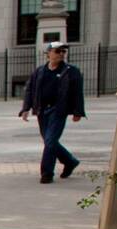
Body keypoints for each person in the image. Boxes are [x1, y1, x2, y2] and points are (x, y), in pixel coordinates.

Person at [20, 41, 85, 183]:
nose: (61, 54)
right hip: (42, 110)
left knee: (50, 141)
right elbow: (30, 89)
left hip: (58, 109)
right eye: (57, 51)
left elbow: (77, 92)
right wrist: (26, 108)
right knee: (50, 141)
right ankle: (70, 161)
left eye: (63, 51)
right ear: (48, 53)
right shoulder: (39, 71)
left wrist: (78, 111)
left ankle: (46, 173)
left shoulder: (70, 71)